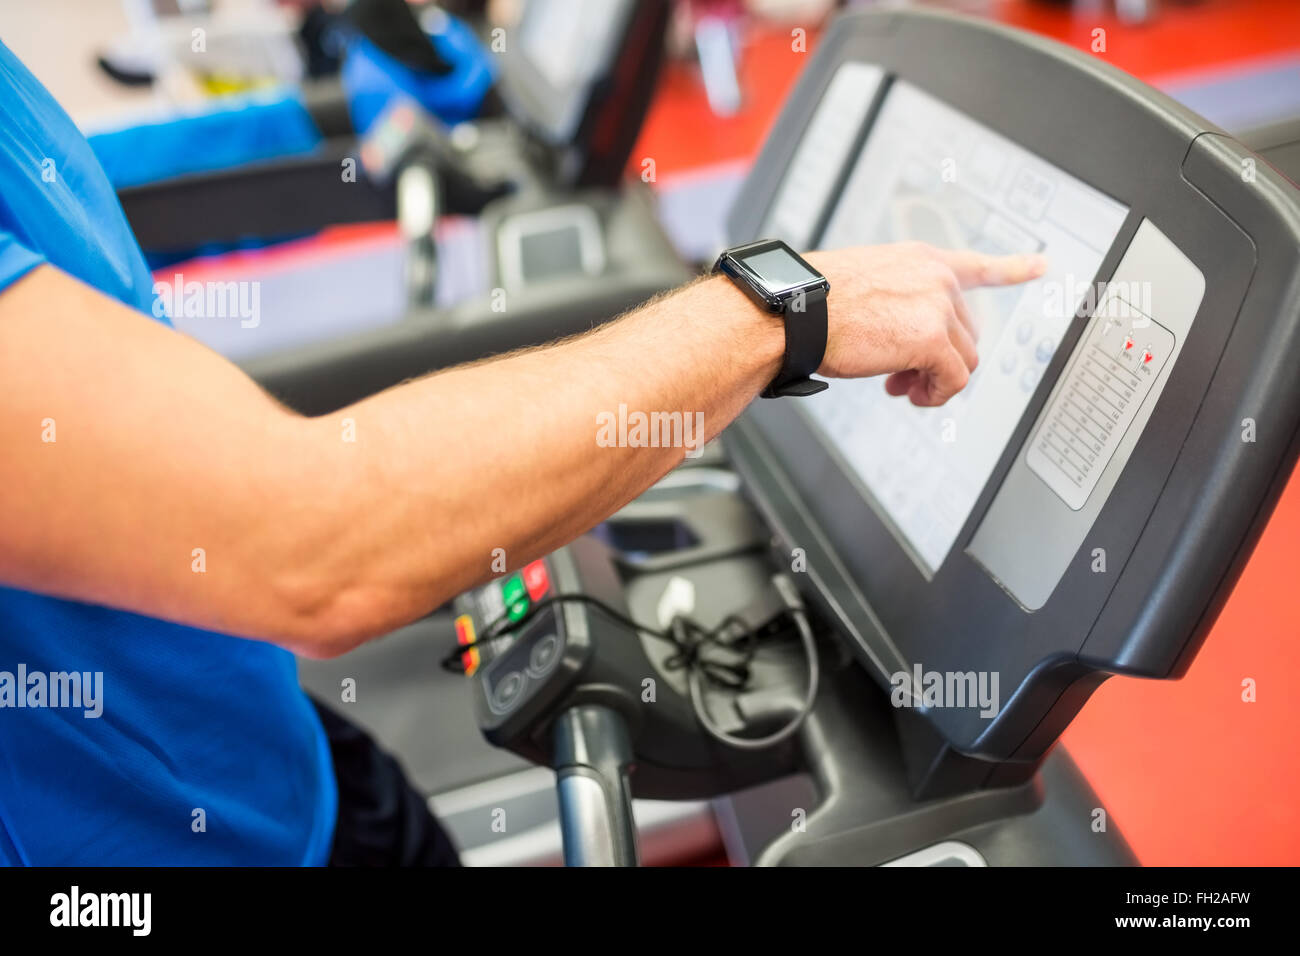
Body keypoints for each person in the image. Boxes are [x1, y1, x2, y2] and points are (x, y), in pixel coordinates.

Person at [0, 38, 1045, 865]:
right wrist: (775, 314)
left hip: (261, 753)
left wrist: (355, 105)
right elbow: (309, 541)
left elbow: (76, 196)